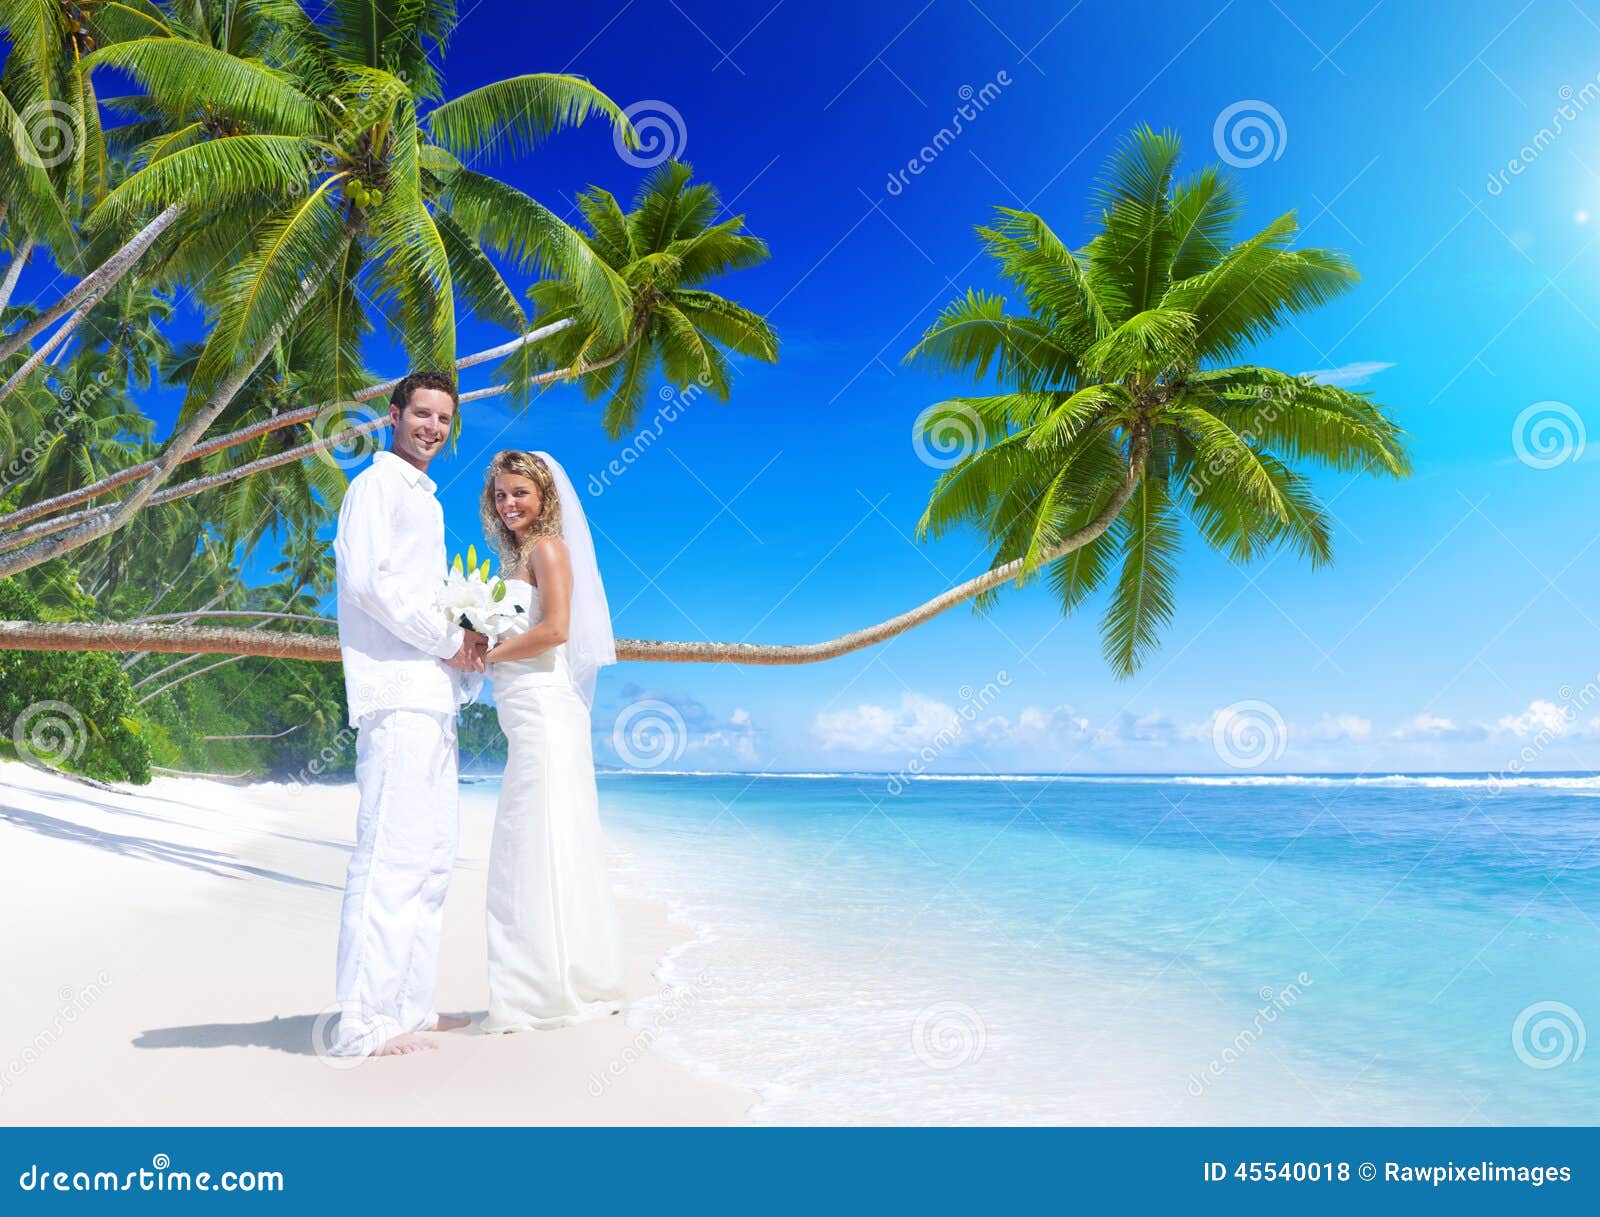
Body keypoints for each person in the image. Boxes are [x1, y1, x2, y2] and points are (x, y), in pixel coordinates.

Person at [329, 371, 485, 1058]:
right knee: (388, 858)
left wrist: (468, 648)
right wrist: (452, 640)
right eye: (421, 413)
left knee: (430, 862)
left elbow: (423, 596)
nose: (432, 427)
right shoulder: (375, 486)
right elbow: (366, 585)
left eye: (444, 418)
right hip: (395, 694)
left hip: (434, 702)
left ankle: (408, 1006)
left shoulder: (427, 500)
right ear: (394, 415)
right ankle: (360, 1023)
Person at [476, 449, 625, 1030]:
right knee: (536, 839)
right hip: (525, 713)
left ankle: (545, 991)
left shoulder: (547, 550)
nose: (508, 504)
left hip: (544, 712)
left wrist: (487, 652)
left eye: (520, 494)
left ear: (545, 499)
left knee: (534, 839)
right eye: (500, 495)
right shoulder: (517, 557)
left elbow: (556, 630)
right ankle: (551, 980)